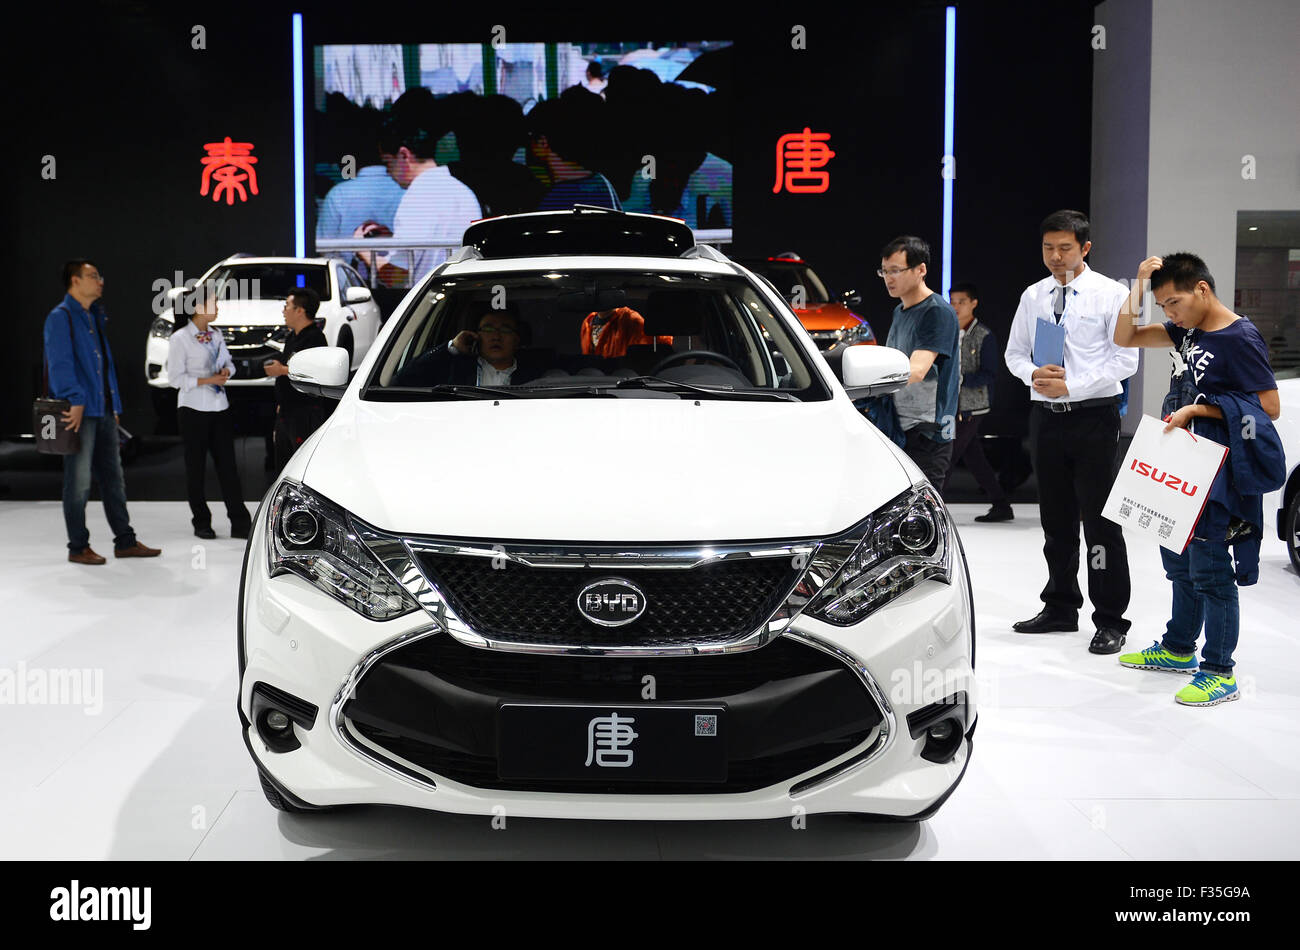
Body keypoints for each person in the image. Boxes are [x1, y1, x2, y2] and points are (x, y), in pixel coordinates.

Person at [1113, 252, 1283, 706]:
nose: (1169, 313)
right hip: (1180, 460)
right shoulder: (1186, 329)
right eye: (1163, 306)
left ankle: (1220, 670)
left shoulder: (1240, 337)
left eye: (1173, 303)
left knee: (1209, 566)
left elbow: (1269, 407)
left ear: (1202, 290)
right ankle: (1177, 648)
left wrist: (1198, 410)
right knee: (1178, 561)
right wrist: (1138, 284)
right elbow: (1125, 335)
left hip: (1216, 467)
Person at [1004, 210, 1137, 654]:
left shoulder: (1111, 294)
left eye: (1065, 248)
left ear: (1085, 248)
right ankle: (1061, 605)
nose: (1056, 257)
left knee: (1101, 523)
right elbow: (1014, 355)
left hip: (1094, 418)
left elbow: (1125, 362)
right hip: (1046, 418)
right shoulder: (1034, 295)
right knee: (1055, 521)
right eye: (1048, 248)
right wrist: (1033, 374)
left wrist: (1071, 385)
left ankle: (1111, 619)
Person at [43, 260, 161, 564]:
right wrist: (74, 399)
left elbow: (104, 367)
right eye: (93, 276)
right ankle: (78, 547)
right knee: (79, 481)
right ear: (74, 281)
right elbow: (60, 364)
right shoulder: (61, 317)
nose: (100, 282)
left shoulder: (93, 316)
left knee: (113, 478)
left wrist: (115, 404)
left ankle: (125, 541)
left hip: (104, 409)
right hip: (81, 410)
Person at [168, 288, 252, 540]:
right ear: (196, 308)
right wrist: (207, 380)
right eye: (213, 303)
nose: (217, 307)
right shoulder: (180, 338)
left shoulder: (215, 335)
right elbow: (175, 379)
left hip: (219, 407)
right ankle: (201, 522)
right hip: (193, 409)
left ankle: (240, 522)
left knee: (229, 467)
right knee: (196, 468)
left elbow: (230, 363)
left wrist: (227, 372)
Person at [878, 236, 960, 489]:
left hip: (928, 431)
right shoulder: (900, 311)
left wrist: (868, 380)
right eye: (884, 271)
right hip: (900, 425)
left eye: (896, 271)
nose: (889, 278)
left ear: (921, 269)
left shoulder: (936, 311)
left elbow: (917, 370)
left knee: (924, 512)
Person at [379, 90, 483, 285]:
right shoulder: (464, 192)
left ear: (403, 156)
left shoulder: (416, 198)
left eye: (388, 164)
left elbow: (397, 277)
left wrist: (365, 252)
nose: (388, 173)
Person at [943, 282, 1013, 521]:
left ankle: (933, 507)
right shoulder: (948, 331)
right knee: (973, 456)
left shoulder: (983, 335)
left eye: (961, 302)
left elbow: (990, 373)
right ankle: (1001, 503)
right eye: (952, 302)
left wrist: (960, 379)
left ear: (973, 303)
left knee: (948, 455)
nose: (956, 307)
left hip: (973, 406)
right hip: (953, 404)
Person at [262, 289, 331, 471]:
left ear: (300, 310)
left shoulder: (316, 337)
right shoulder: (293, 336)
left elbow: (316, 373)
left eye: (287, 306)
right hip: (287, 409)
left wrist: (282, 370)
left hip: (305, 412)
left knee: (301, 464)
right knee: (282, 463)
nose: (284, 311)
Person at [394, 305, 543, 387]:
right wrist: (451, 348)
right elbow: (403, 380)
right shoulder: (453, 369)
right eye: (488, 329)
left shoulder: (537, 374)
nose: (496, 337)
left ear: (517, 339)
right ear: (475, 335)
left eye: (504, 330)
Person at [579, 307, 672, 359]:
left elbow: (659, 343)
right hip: (593, 382)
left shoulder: (630, 320)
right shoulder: (588, 321)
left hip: (622, 380)